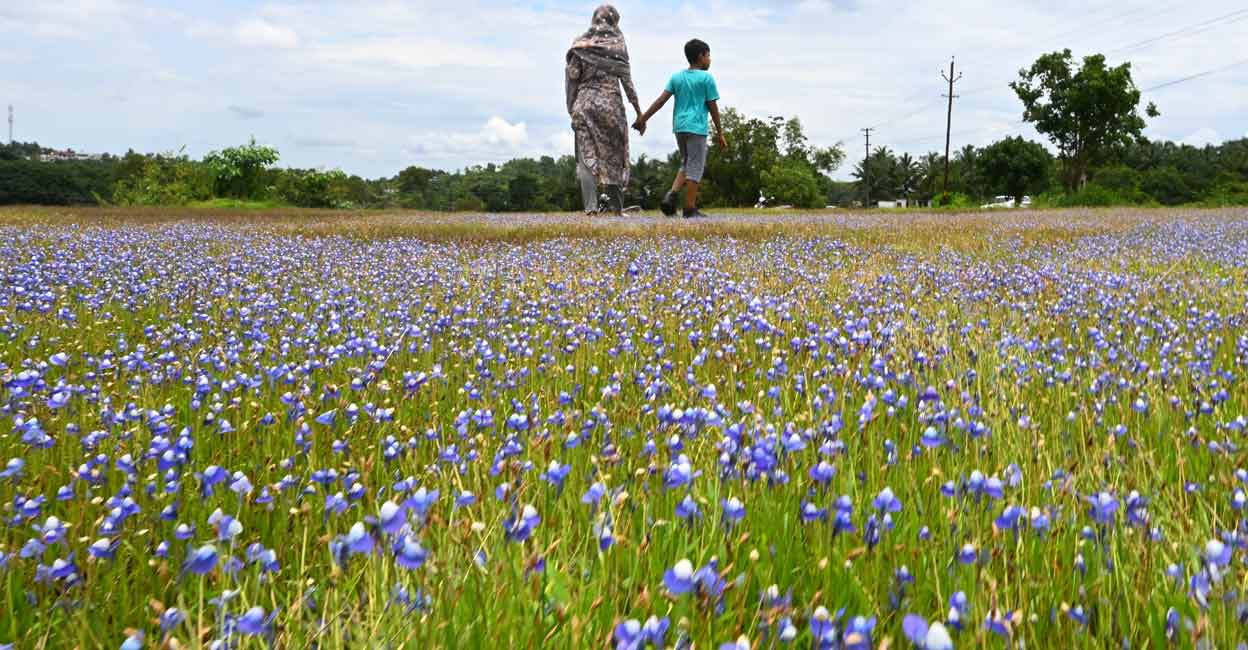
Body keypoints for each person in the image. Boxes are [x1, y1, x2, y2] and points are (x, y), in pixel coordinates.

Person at [632, 38, 726, 219]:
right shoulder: (707, 78)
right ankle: (689, 209)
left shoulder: (676, 77)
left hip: (679, 127)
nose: (710, 59)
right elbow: (712, 107)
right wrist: (720, 133)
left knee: (686, 163)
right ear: (701, 56)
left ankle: (670, 198)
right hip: (697, 127)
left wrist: (643, 119)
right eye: (708, 55)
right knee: (696, 166)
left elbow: (660, 101)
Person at [566, 5, 642, 216]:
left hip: (584, 105)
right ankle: (616, 209)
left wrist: (572, 104)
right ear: (614, 21)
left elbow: (573, 75)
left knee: (586, 157)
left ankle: (591, 209)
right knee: (614, 156)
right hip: (610, 109)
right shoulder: (617, 46)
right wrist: (639, 113)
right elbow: (627, 83)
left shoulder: (581, 45)